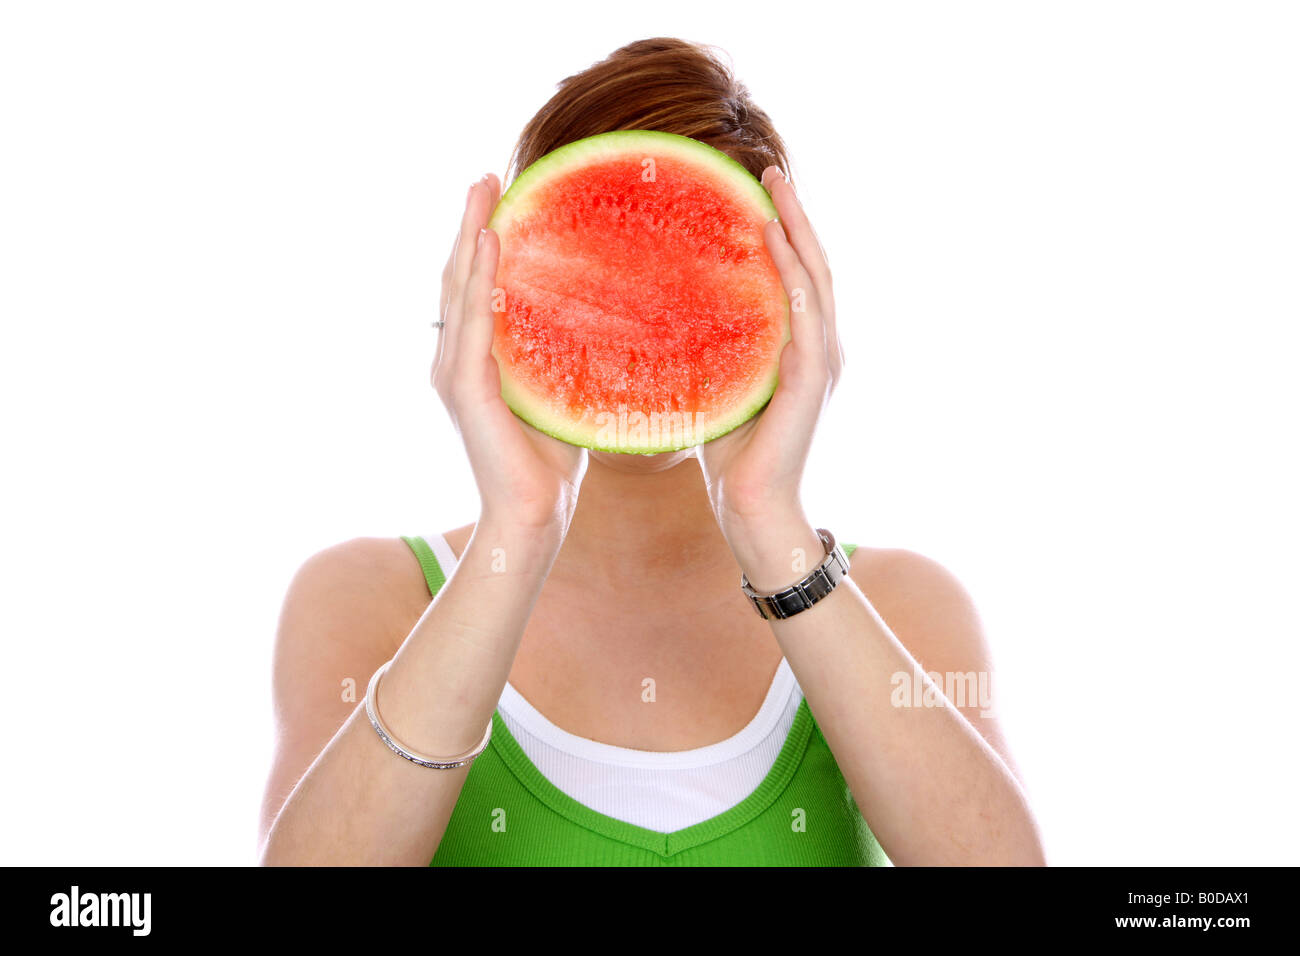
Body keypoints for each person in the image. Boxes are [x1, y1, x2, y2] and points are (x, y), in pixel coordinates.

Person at [257, 37, 1047, 866]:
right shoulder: (367, 597)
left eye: (693, 278)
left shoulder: (903, 605)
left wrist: (766, 519)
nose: (639, 321)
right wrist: (519, 529)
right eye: (593, 271)